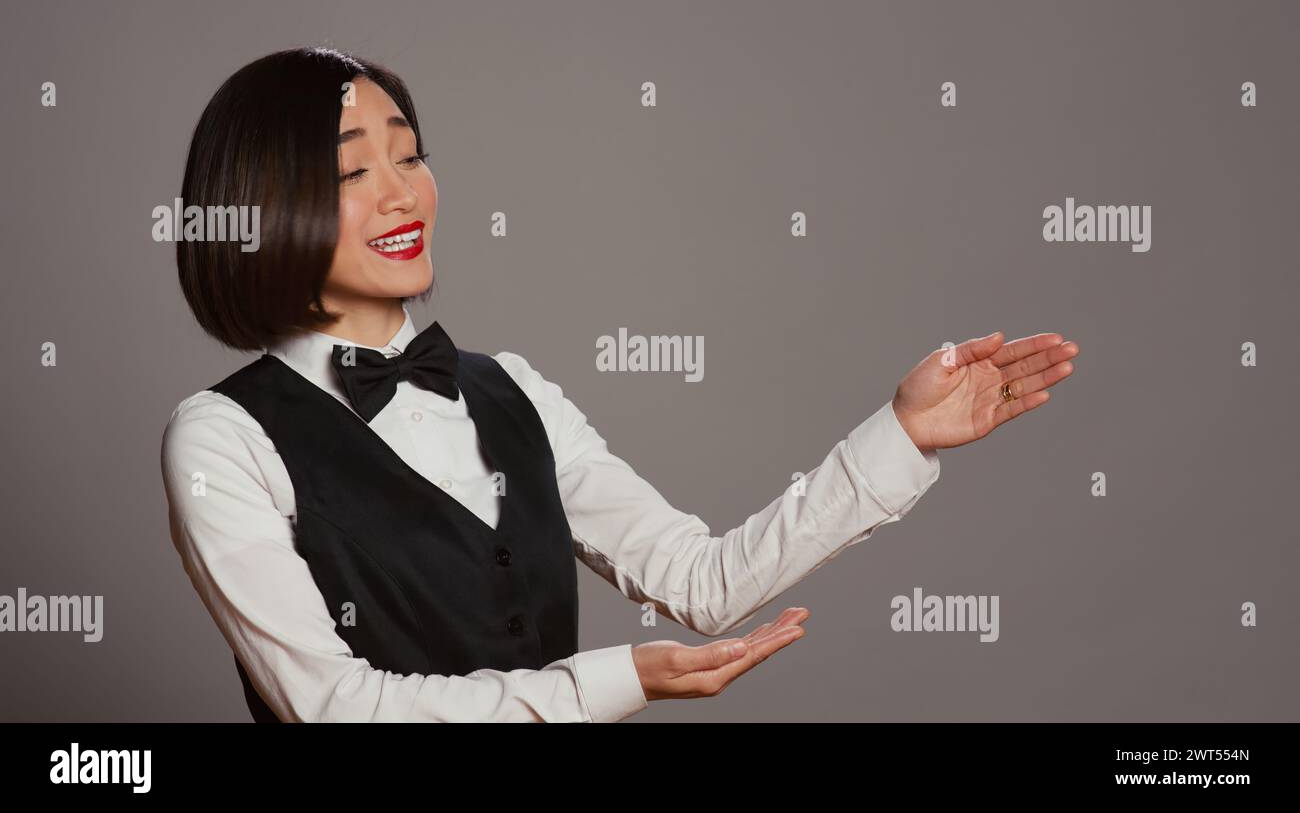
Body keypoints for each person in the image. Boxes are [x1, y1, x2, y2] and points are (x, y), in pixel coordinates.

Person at [160, 46, 1080, 723]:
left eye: (409, 153)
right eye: (353, 169)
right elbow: (332, 706)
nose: (402, 192)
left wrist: (903, 434)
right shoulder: (221, 437)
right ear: (265, 205)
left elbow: (701, 578)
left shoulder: (508, 386)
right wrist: (622, 677)